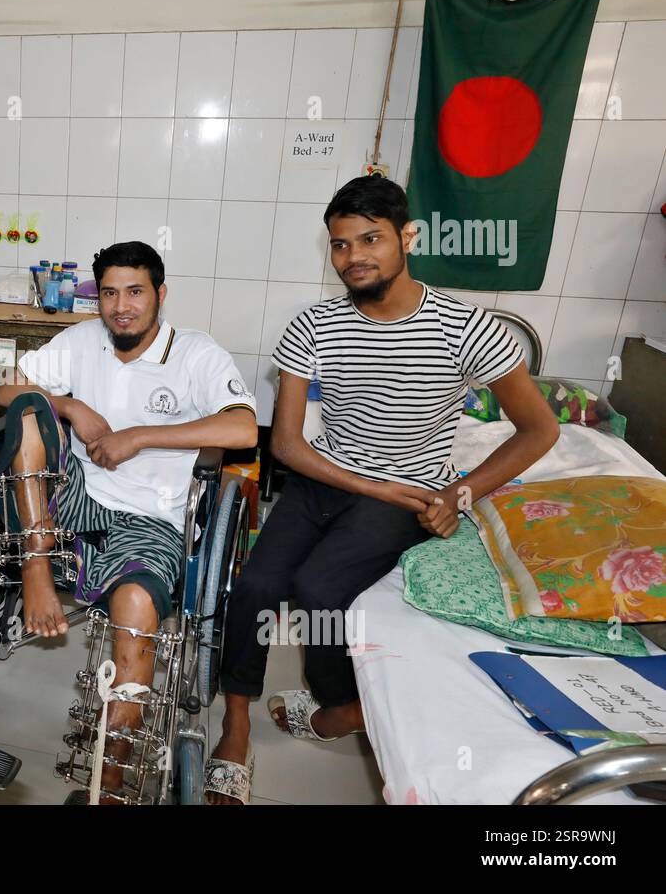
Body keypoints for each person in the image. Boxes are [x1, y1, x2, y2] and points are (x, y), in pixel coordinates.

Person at [205, 176, 559, 805]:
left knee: (318, 588)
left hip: (409, 491)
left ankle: (340, 708)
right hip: (326, 478)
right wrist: (374, 485)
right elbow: (286, 446)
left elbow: (539, 429)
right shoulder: (313, 325)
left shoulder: (467, 329)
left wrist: (459, 495)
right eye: (340, 245)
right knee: (255, 585)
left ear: (408, 238)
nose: (353, 257)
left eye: (370, 239)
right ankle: (236, 724)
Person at [0, 241, 258, 801]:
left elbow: (241, 430)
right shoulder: (84, 340)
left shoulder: (194, 352)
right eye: (109, 294)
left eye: (135, 292)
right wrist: (70, 406)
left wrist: (138, 436)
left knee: (137, 605)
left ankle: (109, 779)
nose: (121, 307)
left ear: (160, 295)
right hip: (74, 497)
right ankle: (36, 568)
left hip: (151, 516)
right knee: (28, 413)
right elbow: (6, 390)